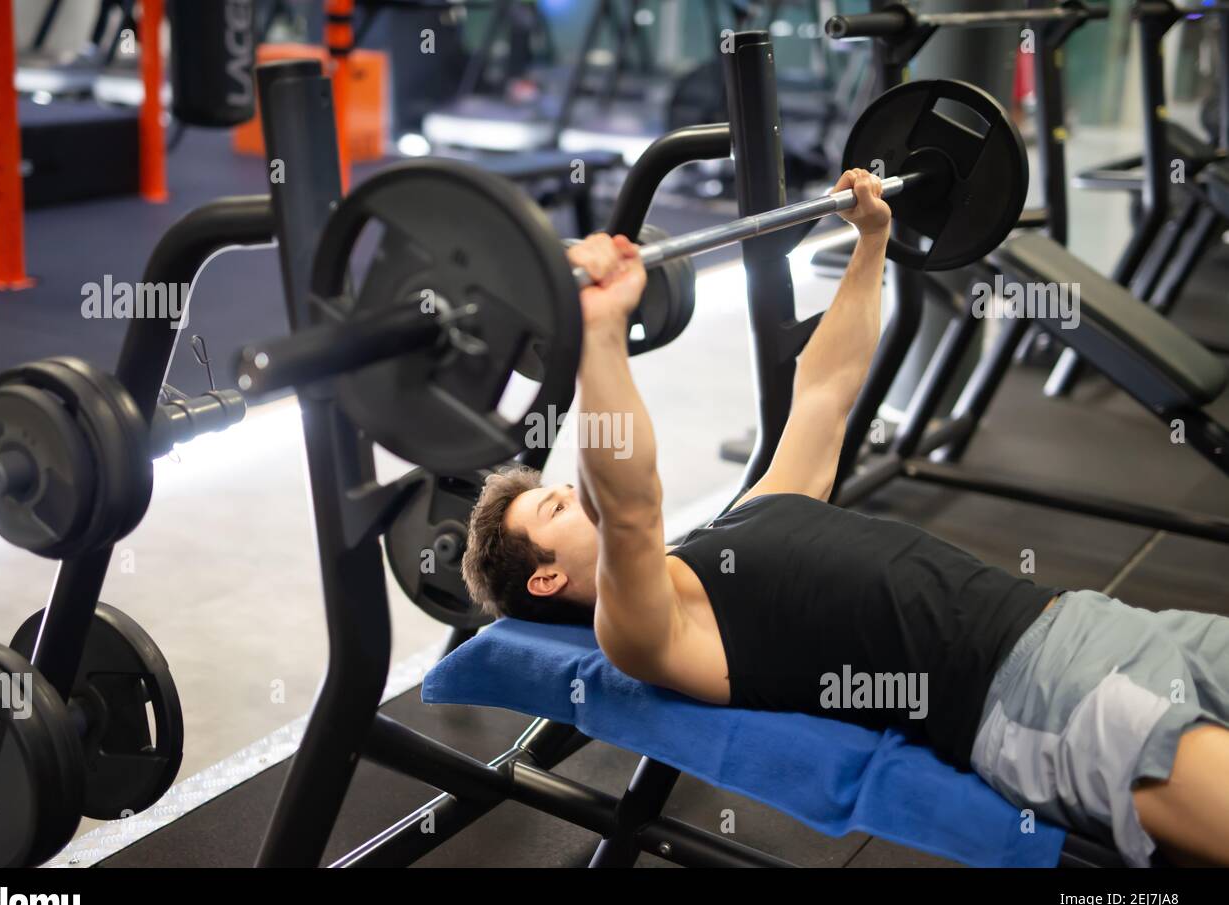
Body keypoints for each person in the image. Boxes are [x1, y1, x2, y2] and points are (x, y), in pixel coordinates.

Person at [461, 169, 1229, 867]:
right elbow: (628, 505)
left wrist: (872, 241)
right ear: (549, 573)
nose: (576, 496)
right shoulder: (640, 630)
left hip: (1098, 623)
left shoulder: (742, 521)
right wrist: (601, 333)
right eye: (555, 504)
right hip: (1038, 700)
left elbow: (825, 392)